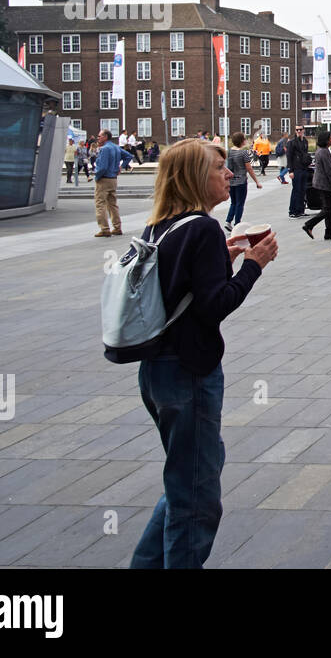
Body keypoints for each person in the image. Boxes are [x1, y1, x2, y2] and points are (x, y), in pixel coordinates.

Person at [124, 138, 278, 568]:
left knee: (186, 478)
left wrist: (221, 262)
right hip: (189, 372)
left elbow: (182, 291)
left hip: (156, 371)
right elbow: (213, 308)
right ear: (194, 176)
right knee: (197, 497)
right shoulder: (203, 227)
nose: (230, 172)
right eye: (218, 167)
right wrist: (254, 265)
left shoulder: (162, 226)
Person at [93, 129, 133, 237]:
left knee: (100, 204)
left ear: (105, 137)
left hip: (104, 179)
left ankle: (104, 229)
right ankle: (117, 227)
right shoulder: (115, 147)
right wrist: (121, 166)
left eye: (99, 136)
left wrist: (96, 176)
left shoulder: (105, 149)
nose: (98, 138)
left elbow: (103, 167)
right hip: (113, 179)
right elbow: (129, 156)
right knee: (113, 204)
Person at [303, 130, 331, 240]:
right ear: (326, 140)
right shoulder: (324, 152)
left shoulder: (322, 151)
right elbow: (329, 172)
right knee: (328, 209)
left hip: (321, 184)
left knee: (330, 208)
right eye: (330, 137)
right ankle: (309, 225)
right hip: (324, 185)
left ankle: (330, 232)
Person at [223, 133, 262, 231]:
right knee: (240, 203)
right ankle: (237, 224)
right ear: (242, 141)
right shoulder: (243, 153)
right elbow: (249, 169)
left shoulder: (229, 152)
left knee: (233, 202)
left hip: (231, 181)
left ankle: (228, 221)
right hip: (241, 181)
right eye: (244, 139)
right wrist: (257, 182)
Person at [286, 125, 312, 218]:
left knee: (303, 190)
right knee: (296, 190)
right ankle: (292, 211)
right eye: (297, 130)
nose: (299, 131)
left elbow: (305, 153)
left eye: (300, 129)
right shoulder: (292, 143)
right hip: (296, 169)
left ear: (303, 130)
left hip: (304, 168)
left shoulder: (305, 141)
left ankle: (300, 210)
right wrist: (290, 170)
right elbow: (289, 157)